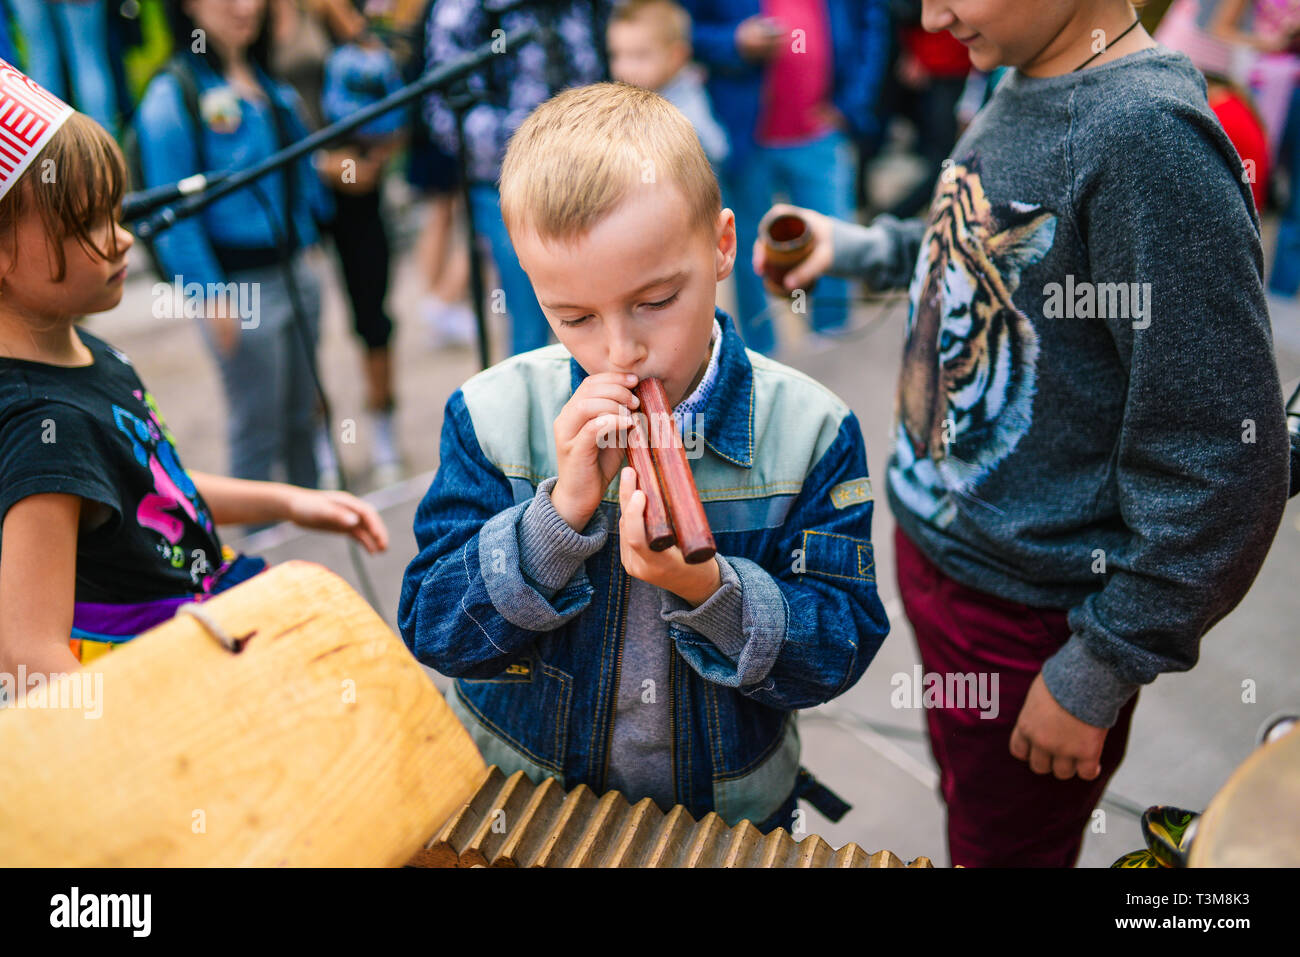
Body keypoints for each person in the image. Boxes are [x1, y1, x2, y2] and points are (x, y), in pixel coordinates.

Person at [754, 0, 1292, 866]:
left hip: (1030, 624)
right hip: (949, 569)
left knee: (1005, 848)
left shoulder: (1144, 140)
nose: (931, 11)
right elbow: (971, 242)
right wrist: (853, 250)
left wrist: (1103, 662)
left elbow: (1225, 460)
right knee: (976, 806)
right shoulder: (1022, 66)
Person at [399, 83, 889, 830]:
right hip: (524, 806)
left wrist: (711, 590)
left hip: (727, 821)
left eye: (656, 300)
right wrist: (555, 520)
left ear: (723, 244)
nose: (621, 350)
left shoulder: (812, 431)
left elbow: (838, 647)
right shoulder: (493, 416)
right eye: (575, 317)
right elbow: (436, 629)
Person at [0, 86, 388, 690]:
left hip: (195, 622)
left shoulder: (84, 350)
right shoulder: (42, 429)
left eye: (115, 210)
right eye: (87, 222)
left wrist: (285, 501)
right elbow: (27, 652)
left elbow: (147, 487)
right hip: (160, 677)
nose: (123, 236)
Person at [682, 0, 891, 355]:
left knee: (831, 237)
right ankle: (760, 355)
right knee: (747, 248)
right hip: (744, 137)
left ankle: (832, 342)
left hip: (819, 136)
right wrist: (735, 41)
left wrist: (850, 107)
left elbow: (872, 28)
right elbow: (682, 30)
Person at [422, 0, 610, 357]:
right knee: (532, 316)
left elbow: (605, 63)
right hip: (504, 183)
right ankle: (532, 409)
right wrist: (540, 143)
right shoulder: (462, 9)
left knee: (603, 302)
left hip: (593, 174)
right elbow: (444, 108)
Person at [607, 0, 730, 168]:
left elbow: (718, 150)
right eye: (617, 55)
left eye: (639, 56)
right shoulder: (632, 95)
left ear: (676, 56)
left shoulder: (684, 106)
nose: (625, 68)